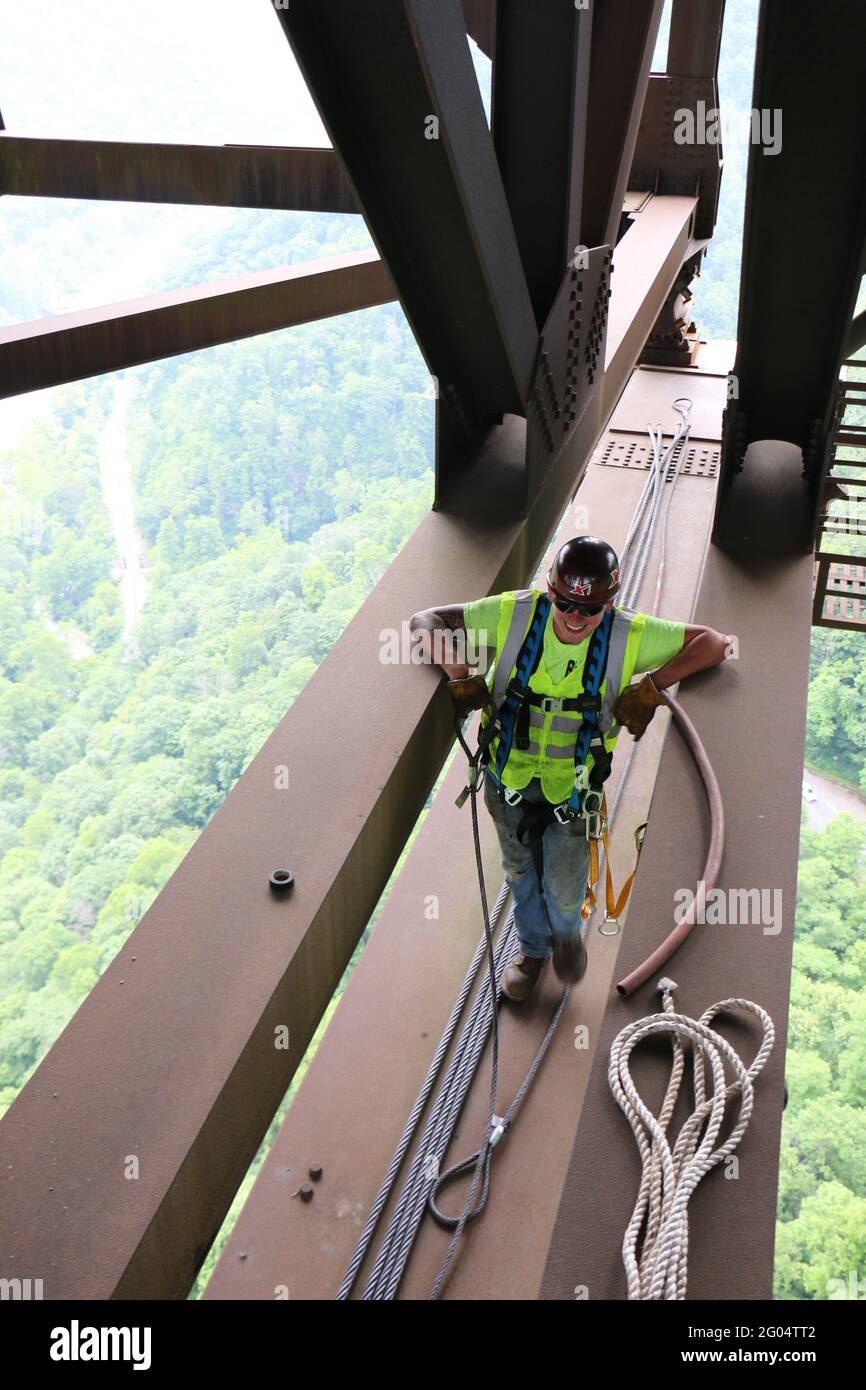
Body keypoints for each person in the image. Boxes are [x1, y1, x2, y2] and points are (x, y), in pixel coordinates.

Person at [409, 535, 731, 1001]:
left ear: (610, 602)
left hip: (572, 792)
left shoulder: (627, 634)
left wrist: (654, 684)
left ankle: (565, 938)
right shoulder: (514, 614)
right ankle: (533, 951)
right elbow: (427, 620)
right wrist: (460, 675)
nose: (576, 618)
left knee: (564, 881)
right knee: (519, 869)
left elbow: (715, 644)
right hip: (507, 779)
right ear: (550, 591)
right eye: (564, 604)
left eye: (590, 609)